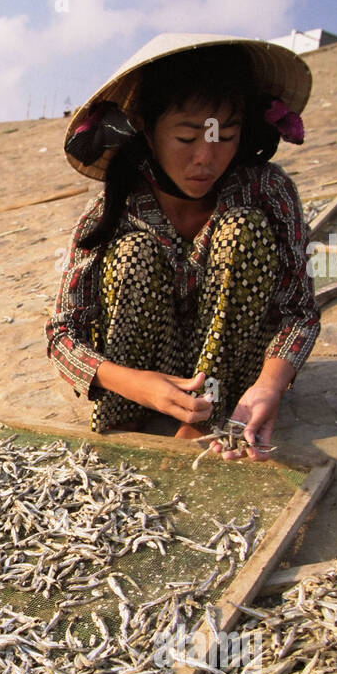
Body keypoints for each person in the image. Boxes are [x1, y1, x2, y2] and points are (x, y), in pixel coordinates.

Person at [45, 33, 318, 461]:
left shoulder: (267, 189)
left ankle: (203, 421)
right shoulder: (113, 211)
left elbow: (299, 311)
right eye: (187, 139)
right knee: (133, 253)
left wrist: (270, 386)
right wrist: (136, 384)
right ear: (149, 135)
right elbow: (62, 334)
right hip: (141, 376)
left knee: (242, 229)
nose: (206, 158)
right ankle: (126, 419)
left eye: (225, 136)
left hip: (233, 372)